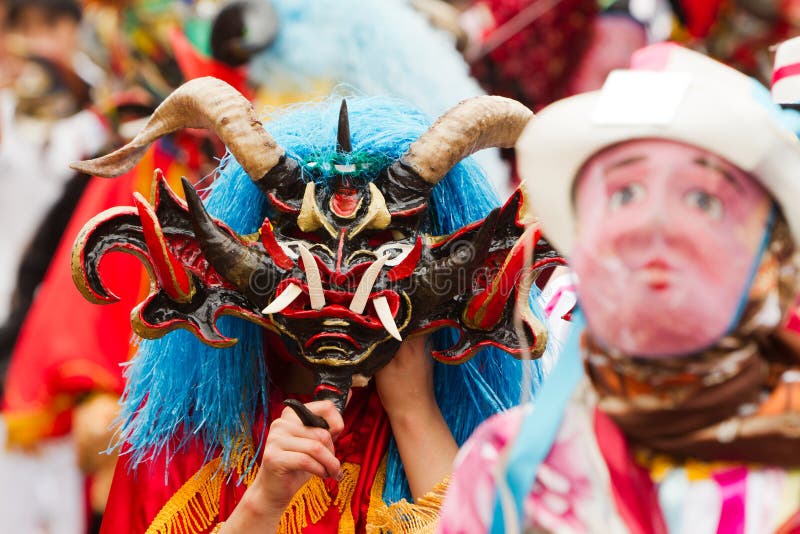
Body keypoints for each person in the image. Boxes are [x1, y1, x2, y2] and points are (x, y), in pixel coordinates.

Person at [74, 87, 551, 533]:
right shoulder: (186, 439)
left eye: (382, 251)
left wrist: (414, 410)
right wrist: (263, 501)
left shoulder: (471, 432)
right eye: (305, 249)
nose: (339, 278)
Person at [438, 42, 800, 533]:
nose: (651, 225)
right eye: (623, 193)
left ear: (767, 258)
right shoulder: (511, 471)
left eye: (703, 199)